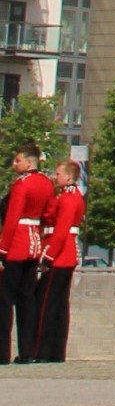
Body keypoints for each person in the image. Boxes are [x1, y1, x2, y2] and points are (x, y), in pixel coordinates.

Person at [0, 143, 53, 364]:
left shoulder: (22, 184)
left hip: (17, 245)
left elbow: (12, 218)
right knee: (27, 302)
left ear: (29, 162)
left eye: (18, 160)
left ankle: (2, 353)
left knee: (4, 302)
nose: (15, 164)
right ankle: (27, 352)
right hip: (34, 245)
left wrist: (2, 249)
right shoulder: (47, 184)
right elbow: (49, 215)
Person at [35, 156, 84, 362]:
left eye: (58, 174)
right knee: (60, 305)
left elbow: (61, 230)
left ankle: (43, 351)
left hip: (59, 256)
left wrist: (47, 257)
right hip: (67, 255)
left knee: (46, 304)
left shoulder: (67, 198)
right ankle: (56, 352)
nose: (55, 177)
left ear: (69, 177)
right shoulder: (74, 196)